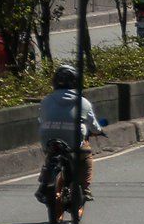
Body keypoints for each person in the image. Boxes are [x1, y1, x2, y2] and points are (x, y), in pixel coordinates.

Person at [35, 64, 103, 203]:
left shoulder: (46, 100)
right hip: (73, 140)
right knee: (86, 155)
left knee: (50, 155)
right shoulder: (83, 102)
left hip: (48, 138)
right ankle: (85, 188)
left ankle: (44, 181)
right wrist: (99, 132)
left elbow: (42, 119)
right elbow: (94, 126)